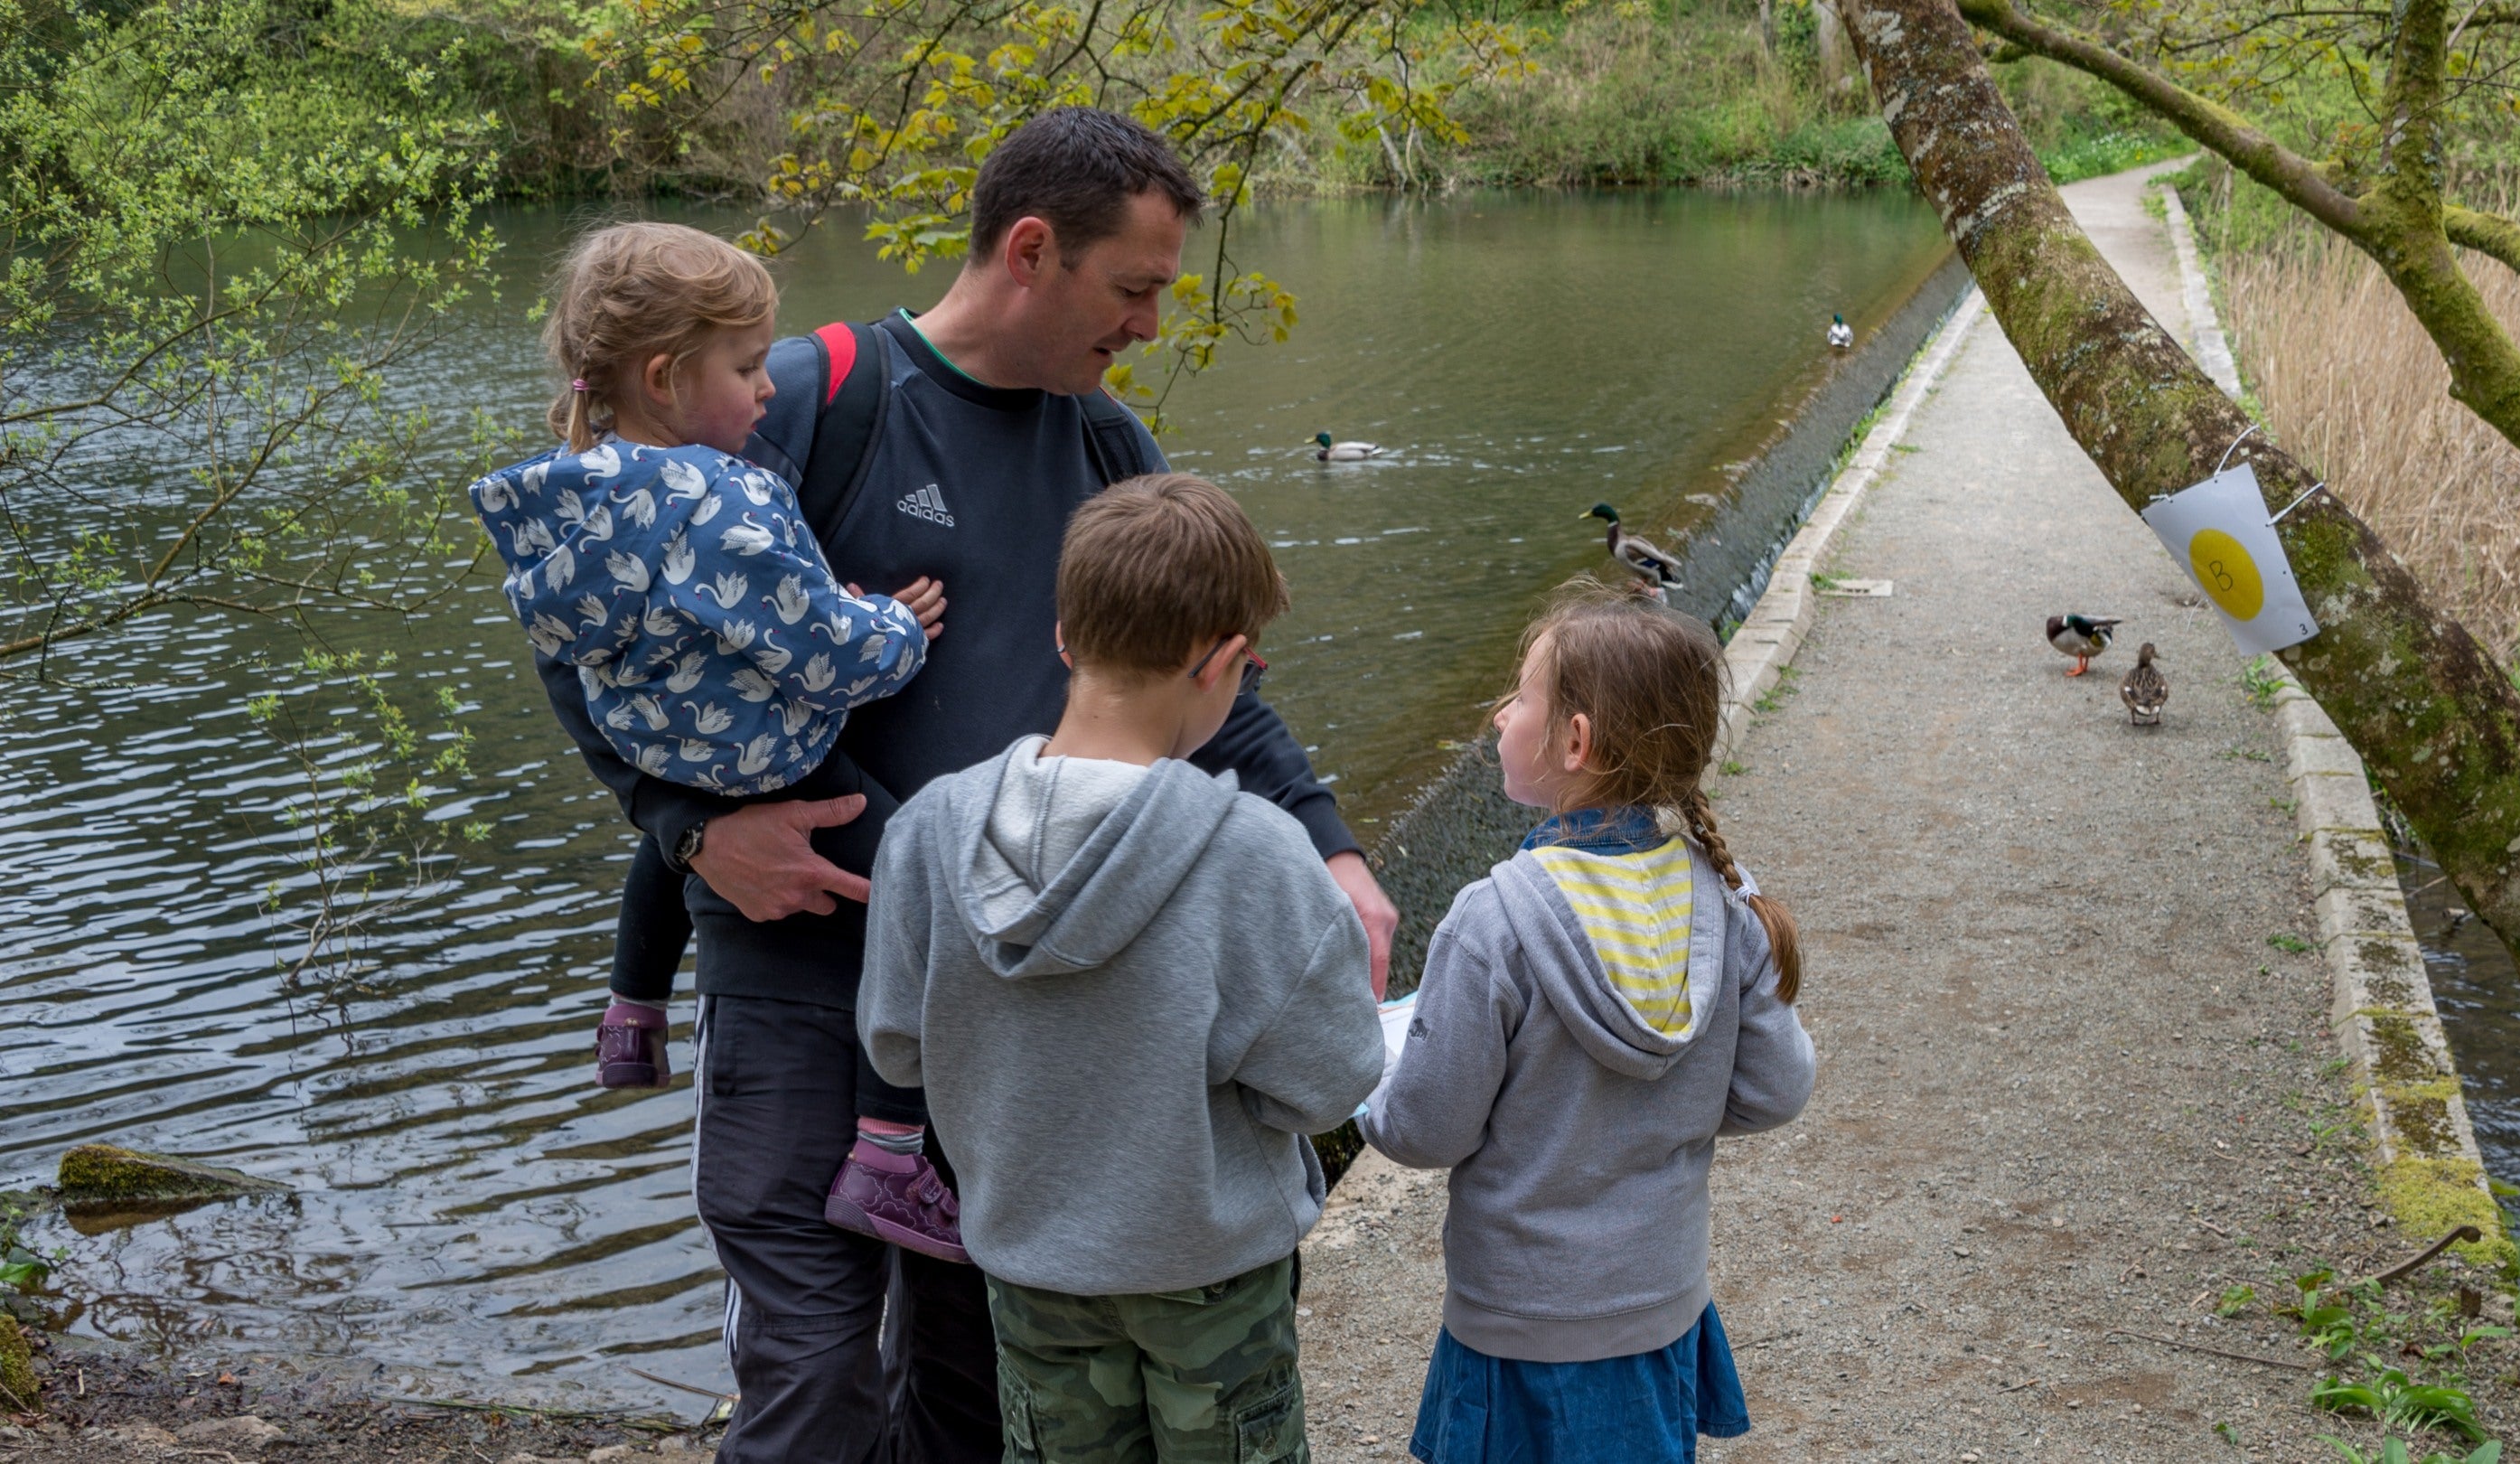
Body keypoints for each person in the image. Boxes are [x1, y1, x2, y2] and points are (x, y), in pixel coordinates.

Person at [523, 108, 1399, 1464]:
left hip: (1004, 1026)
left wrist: (1330, 846)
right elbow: (602, 637)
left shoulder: (1107, 450)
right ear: (1034, 251)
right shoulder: (805, 400)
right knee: (813, 1386)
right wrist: (687, 828)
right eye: (1135, 289)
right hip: (799, 987)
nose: (1153, 326)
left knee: (981, 1390)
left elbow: (1211, 686)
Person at [468, 221, 973, 1265]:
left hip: (668, 761)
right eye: (745, 368)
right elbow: (824, 652)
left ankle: (632, 1014)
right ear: (664, 376)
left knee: (661, 847)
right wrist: (897, 630)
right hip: (773, 758)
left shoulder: (567, 496)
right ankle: (888, 1151)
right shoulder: (721, 495)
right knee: (920, 903)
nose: (769, 390)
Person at [859, 473, 1385, 1464]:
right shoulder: (1256, 853)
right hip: (1212, 1274)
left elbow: (896, 1044)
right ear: (1224, 662)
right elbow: (1330, 1082)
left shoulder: (928, 832)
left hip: (1031, 1269)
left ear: (1065, 638)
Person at [1358, 577, 1817, 1464]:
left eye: (1519, 698)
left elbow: (1424, 1128)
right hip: (1658, 1309)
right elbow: (1777, 1088)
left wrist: (1366, 1081)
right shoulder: (1722, 903)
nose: (1499, 716)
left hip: (1520, 1329)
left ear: (1576, 740)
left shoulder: (1493, 923)